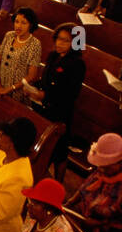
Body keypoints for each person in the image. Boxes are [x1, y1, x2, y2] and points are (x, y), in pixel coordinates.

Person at [26, 24, 85, 166]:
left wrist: (44, 95)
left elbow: (70, 94)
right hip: (42, 107)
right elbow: (45, 79)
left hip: (59, 113)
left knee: (53, 152)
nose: (59, 43)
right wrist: (33, 88)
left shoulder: (77, 64)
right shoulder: (53, 56)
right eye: (58, 38)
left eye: (65, 40)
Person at [0, 7, 41, 107]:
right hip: (0, 85)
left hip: (19, 92)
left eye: (23, 23)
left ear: (30, 25)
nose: (18, 26)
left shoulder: (35, 44)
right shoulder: (9, 35)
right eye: (16, 21)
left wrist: (9, 89)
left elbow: (31, 76)